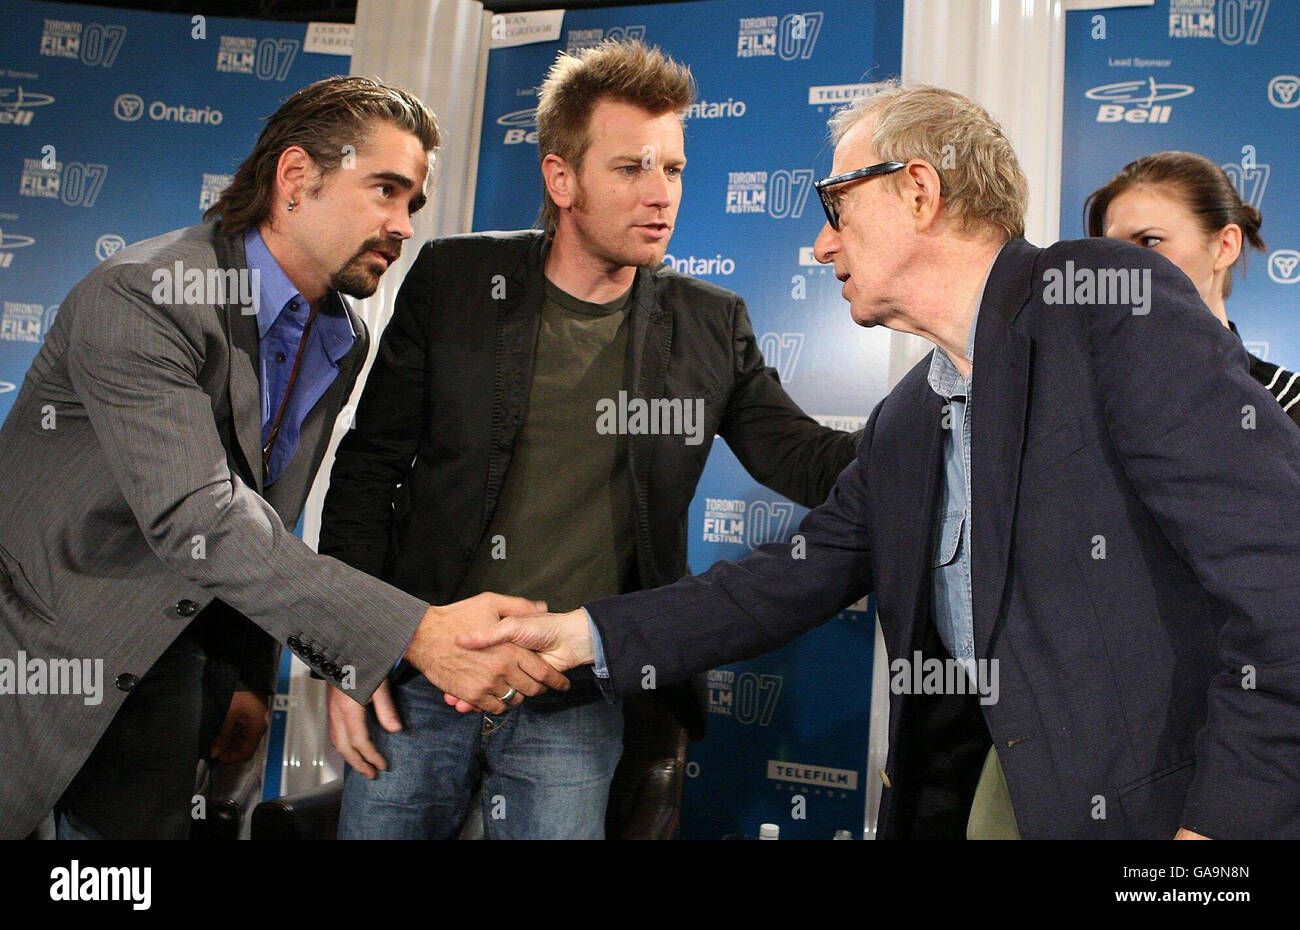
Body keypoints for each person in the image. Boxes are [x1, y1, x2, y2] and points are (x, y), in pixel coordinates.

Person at [460, 83, 1300, 839]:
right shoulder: (907, 420)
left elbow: (1281, 584)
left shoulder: (1109, 302)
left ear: (919, 190)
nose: (823, 246)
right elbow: (782, 581)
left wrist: (1222, 833)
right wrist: (577, 634)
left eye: (836, 205)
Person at [0, 76, 567, 841]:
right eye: (385, 191)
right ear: (296, 179)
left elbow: (266, 515)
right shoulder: (146, 295)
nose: (403, 226)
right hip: (34, 657)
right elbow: (199, 514)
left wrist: (239, 676)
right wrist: (418, 635)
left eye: (414, 204)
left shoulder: (342, 334)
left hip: (168, 668)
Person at [322, 40, 859, 840]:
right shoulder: (455, 281)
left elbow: (807, 457)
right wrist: (348, 655)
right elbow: (368, 472)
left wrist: (952, 441)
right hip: (421, 677)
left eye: (673, 170)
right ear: (561, 178)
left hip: (575, 698)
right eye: (632, 169)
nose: (661, 195)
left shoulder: (709, 324)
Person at [1085, 150, 1300, 427]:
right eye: (1112, 249)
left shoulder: (1287, 406)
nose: (1122, 266)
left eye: (1150, 241)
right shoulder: (1080, 397)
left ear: (1225, 246)